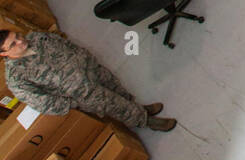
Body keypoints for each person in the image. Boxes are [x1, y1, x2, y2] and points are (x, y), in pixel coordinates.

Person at [0, 28, 176, 131]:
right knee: (116, 106)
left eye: (18, 37)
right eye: (13, 44)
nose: (21, 42)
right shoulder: (16, 78)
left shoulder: (37, 38)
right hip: (84, 93)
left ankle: (139, 108)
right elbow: (42, 102)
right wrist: (72, 103)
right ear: (3, 54)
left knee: (118, 90)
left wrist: (85, 57)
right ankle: (146, 121)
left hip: (91, 69)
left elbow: (65, 44)